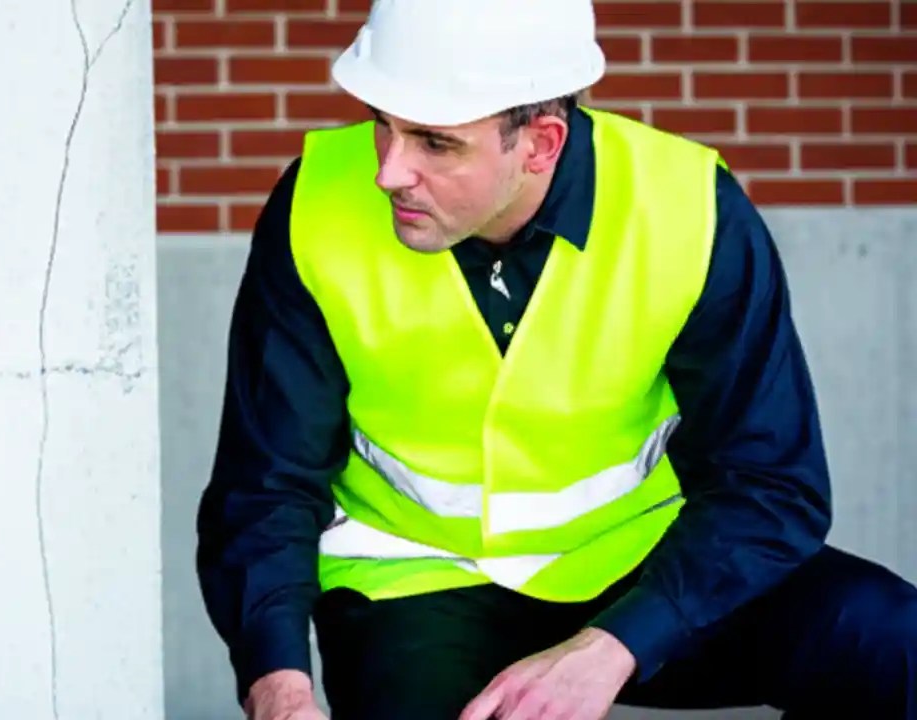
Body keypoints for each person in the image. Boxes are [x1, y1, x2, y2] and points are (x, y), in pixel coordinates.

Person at [194, 0, 917, 718]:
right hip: (415, 588)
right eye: (382, 125)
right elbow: (266, 481)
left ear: (540, 143)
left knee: (890, 638)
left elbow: (772, 484)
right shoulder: (316, 205)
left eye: (434, 143)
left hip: (641, 568)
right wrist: (278, 688)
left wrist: (612, 646)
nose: (389, 172)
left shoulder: (687, 211)